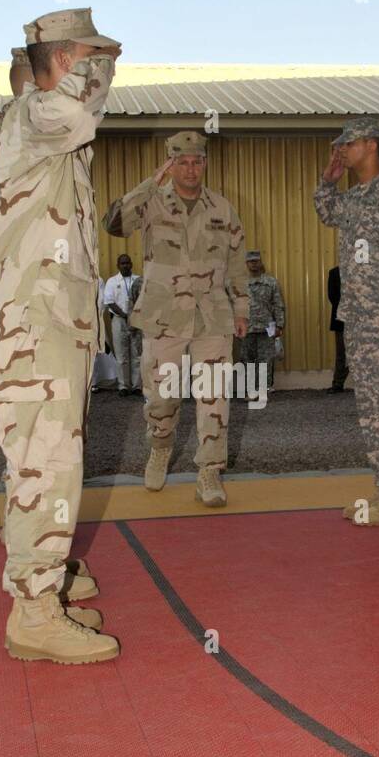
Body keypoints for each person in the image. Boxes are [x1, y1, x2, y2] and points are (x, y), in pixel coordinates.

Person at [0, 7, 121, 664]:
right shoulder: (39, 116)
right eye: (94, 55)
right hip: (36, 326)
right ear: (66, 61)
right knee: (47, 462)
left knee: (46, 458)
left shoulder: (45, 130)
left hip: (52, 323)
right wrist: (84, 61)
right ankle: (33, 612)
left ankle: (44, 572)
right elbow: (77, 104)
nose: (107, 65)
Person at [102, 131, 249, 506]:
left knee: (214, 395)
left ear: (205, 163)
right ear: (171, 164)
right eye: (182, 162)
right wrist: (151, 183)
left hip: (212, 317)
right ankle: (161, 445)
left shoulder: (222, 208)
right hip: (164, 317)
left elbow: (237, 264)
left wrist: (242, 309)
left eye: (197, 161)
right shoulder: (152, 202)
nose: (190, 169)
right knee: (162, 397)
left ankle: (210, 473)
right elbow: (114, 223)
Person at [313, 118, 379, 525]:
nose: (341, 150)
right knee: (372, 408)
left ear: (372, 145)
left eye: (348, 144)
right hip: (358, 319)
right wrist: (327, 179)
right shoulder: (354, 197)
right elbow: (326, 211)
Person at [241, 251, 285, 391]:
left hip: (267, 328)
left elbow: (278, 304)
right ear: (246, 264)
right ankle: (250, 389)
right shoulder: (240, 283)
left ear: (260, 262)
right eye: (250, 261)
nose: (254, 264)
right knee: (247, 360)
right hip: (246, 328)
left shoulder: (271, 282)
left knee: (265, 360)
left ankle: (264, 389)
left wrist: (279, 325)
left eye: (256, 261)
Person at [104, 252, 143, 394]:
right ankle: (123, 386)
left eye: (127, 263)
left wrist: (134, 315)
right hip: (119, 321)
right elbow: (109, 302)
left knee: (137, 354)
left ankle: (137, 386)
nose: (125, 265)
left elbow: (144, 299)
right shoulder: (112, 281)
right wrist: (125, 315)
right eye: (122, 263)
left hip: (137, 321)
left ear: (131, 264)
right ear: (118, 266)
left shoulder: (139, 280)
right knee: (121, 355)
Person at [326, 265, 349, 392]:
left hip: (361, 320)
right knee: (341, 353)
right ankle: (338, 384)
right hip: (341, 319)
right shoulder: (334, 272)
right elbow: (332, 296)